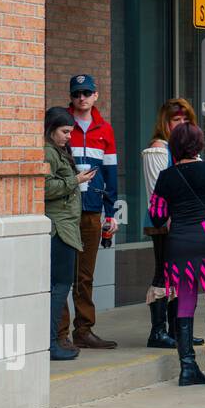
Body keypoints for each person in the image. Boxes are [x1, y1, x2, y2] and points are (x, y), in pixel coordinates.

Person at [148, 123, 205, 387]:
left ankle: (187, 368)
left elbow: (156, 217)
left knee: (185, 305)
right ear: (200, 144)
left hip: (179, 246)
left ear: (174, 146)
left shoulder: (166, 177)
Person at [59, 74, 118, 351]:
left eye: (86, 92)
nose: (81, 97)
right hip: (64, 210)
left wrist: (110, 213)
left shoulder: (105, 129)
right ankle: (60, 334)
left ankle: (84, 330)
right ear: (71, 97)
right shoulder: (61, 125)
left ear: (96, 95)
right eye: (76, 93)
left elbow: (111, 174)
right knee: (61, 274)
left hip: (93, 210)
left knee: (85, 275)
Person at [141, 98, 200, 349]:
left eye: (186, 120)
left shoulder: (187, 152)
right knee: (163, 273)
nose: (182, 124)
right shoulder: (158, 148)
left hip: (185, 222)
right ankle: (158, 331)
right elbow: (159, 190)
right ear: (165, 123)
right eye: (177, 119)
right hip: (165, 222)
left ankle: (178, 330)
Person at [44, 108, 89, 361]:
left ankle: (52, 342)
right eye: (64, 132)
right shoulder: (48, 152)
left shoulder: (57, 151)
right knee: (59, 288)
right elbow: (45, 187)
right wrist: (76, 180)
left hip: (66, 227)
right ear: (51, 129)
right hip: (59, 228)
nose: (68, 137)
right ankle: (51, 344)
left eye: (70, 132)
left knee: (60, 287)